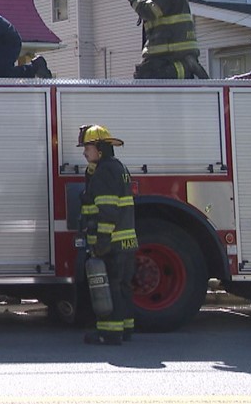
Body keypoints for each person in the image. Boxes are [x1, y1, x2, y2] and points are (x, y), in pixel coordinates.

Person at [77, 124, 138, 345]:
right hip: (126, 241)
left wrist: (102, 240)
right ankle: (126, 328)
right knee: (123, 287)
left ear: (100, 149)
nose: (84, 152)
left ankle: (110, 333)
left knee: (110, 287)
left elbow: (107, 210)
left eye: (88, 147)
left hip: (112, 242)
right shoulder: (118, 168)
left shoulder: (104, 172)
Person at [128, 0, 207, 79]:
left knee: (146, 75)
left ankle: (186, 68)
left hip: (171, 51)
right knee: (146, 74)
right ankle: (187, 68)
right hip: (173, 52)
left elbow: (150, 11)